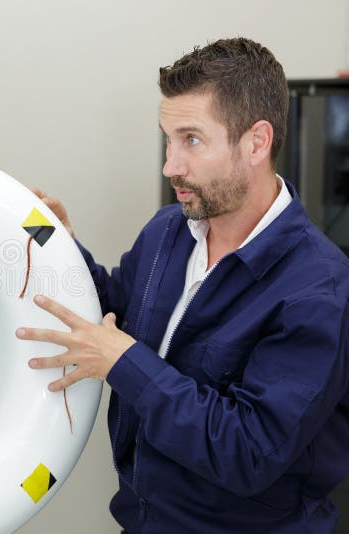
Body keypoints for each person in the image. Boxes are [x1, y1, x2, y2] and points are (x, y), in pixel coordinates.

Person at [18, 37, 349, 532]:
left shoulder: (318, 289)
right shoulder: (168, 230)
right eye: (168, 139)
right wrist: (65, 249)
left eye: (191, 139)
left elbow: (249, 451)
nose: (170, 165)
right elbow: (113, 313)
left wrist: (125, 363)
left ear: (257, 142)